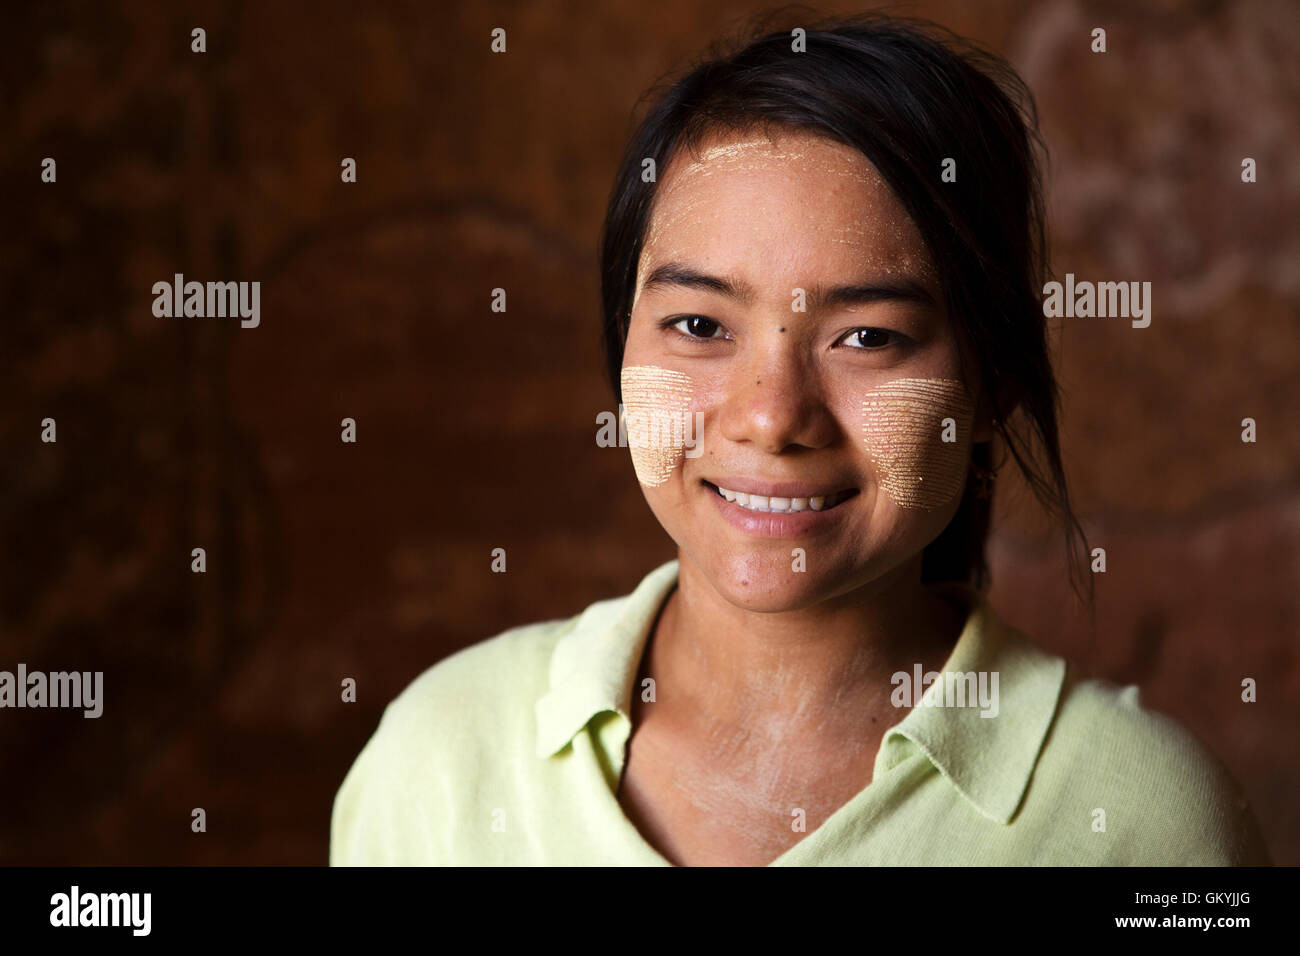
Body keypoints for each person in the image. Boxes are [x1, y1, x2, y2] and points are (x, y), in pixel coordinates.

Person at [330, 13, 1269, 866]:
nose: (773, 416)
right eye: (699, 325)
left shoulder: (1145, 821)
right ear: (623, 346)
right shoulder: (444, 758)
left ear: (993, 388)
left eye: (869, 338)